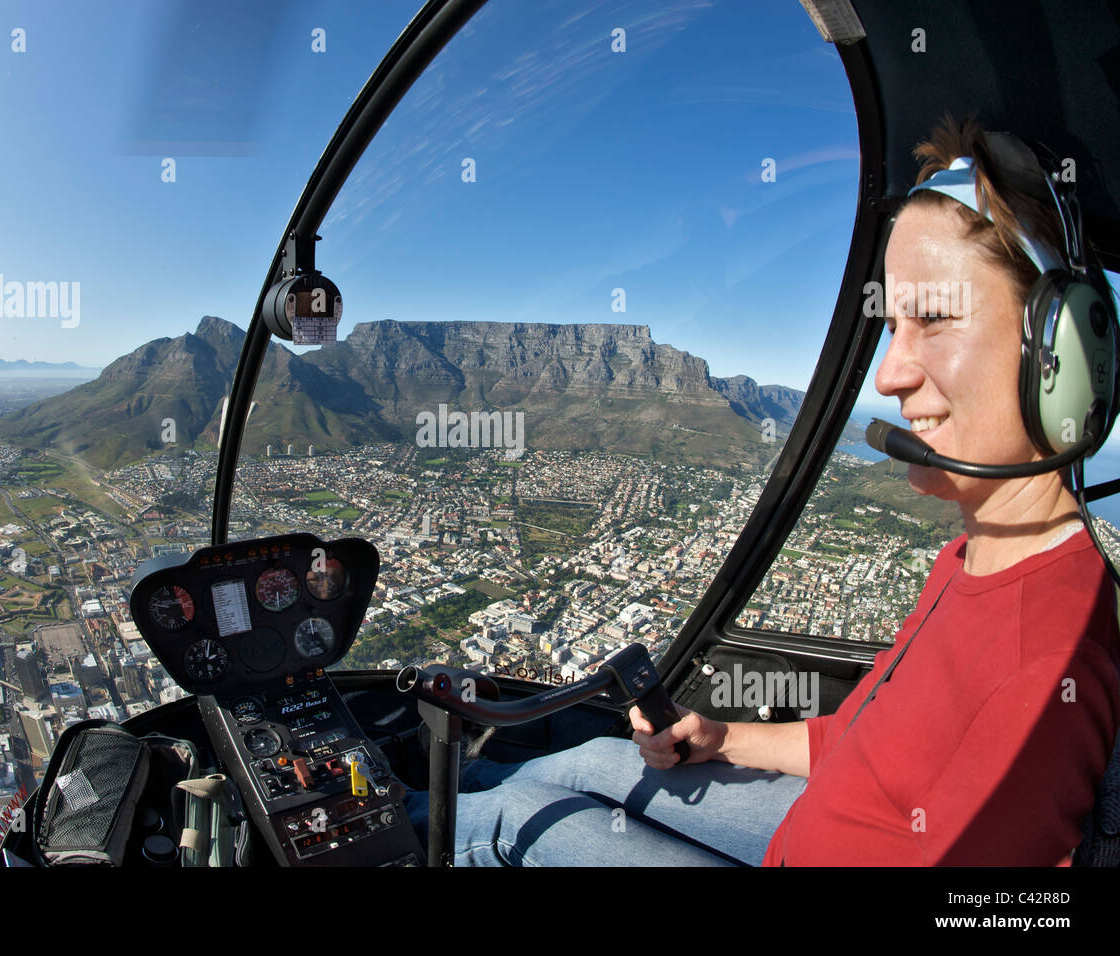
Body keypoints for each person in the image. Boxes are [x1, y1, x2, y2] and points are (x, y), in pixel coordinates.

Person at [404, 116, 1120, 866]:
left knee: (513, 820)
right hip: (823, 815)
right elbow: (861, 735)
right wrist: (722, 735)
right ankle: (420, 809)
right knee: (578, 764)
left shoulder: (1049, 662)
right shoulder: (974, 558)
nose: (889, 375)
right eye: (893, 327)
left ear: (1060, 354)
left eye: (934, 319)